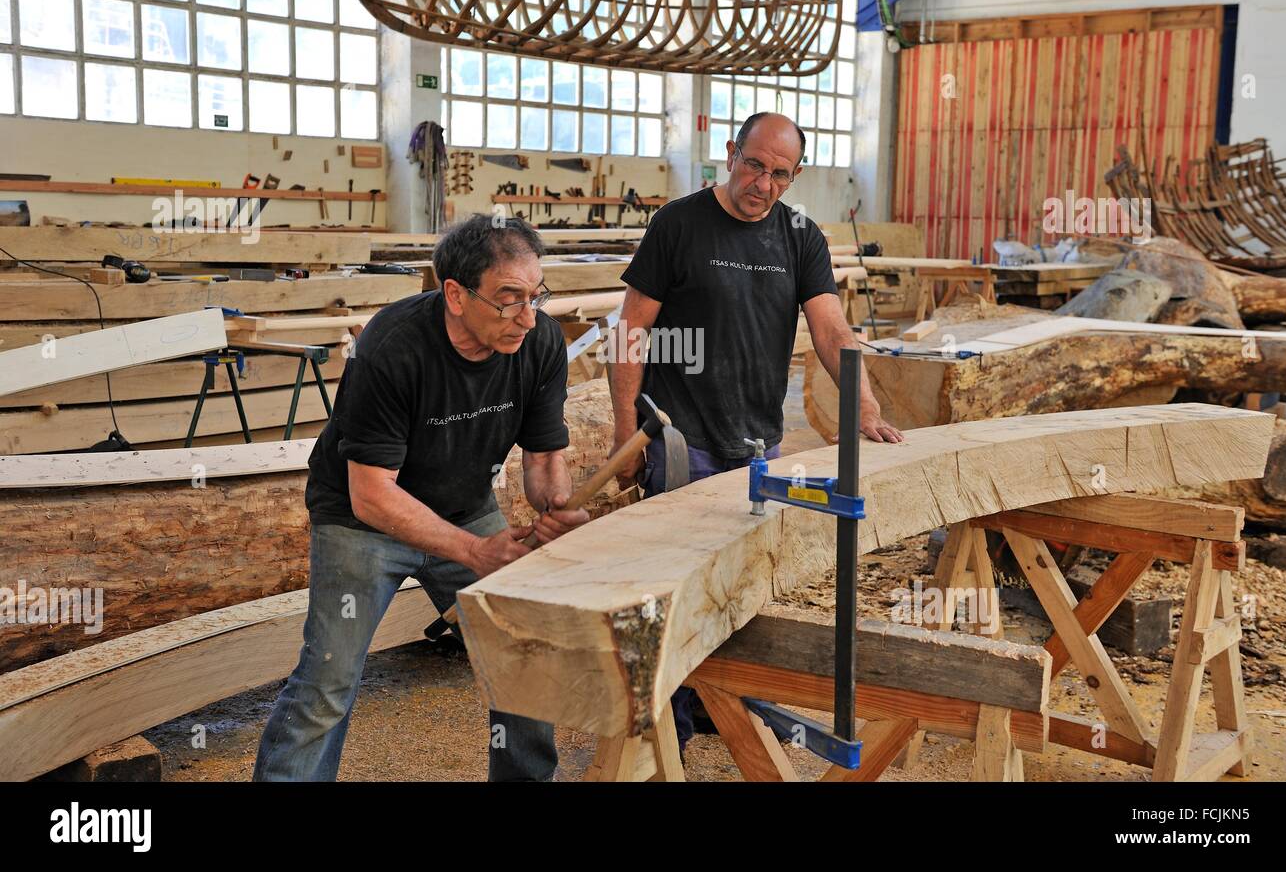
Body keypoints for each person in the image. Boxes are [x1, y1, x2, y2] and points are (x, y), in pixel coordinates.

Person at [254, 214, 588, 782]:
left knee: (529, 657)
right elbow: (371, 496)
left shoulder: (538, 343)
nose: (528, 317)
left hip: (465, 504)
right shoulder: (391, 348)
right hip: (363, 522)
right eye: (509, 299)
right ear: (455, 294)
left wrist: (555, 507)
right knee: (328, 682)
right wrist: (475, 554)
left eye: (536, 296)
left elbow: (542, 458)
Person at [609, 112, 903, 755]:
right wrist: (624, 430)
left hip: (757, 446)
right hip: (682, 443)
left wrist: (866, 409)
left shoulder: (800, 237)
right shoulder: (678, 224)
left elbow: (831, 331)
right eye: (753, 165)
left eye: (780, 174)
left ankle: (716, 699)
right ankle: (669, 733)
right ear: (730, 152)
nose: (762, 183)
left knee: (738, 588)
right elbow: (631, 328)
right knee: (672, 591)